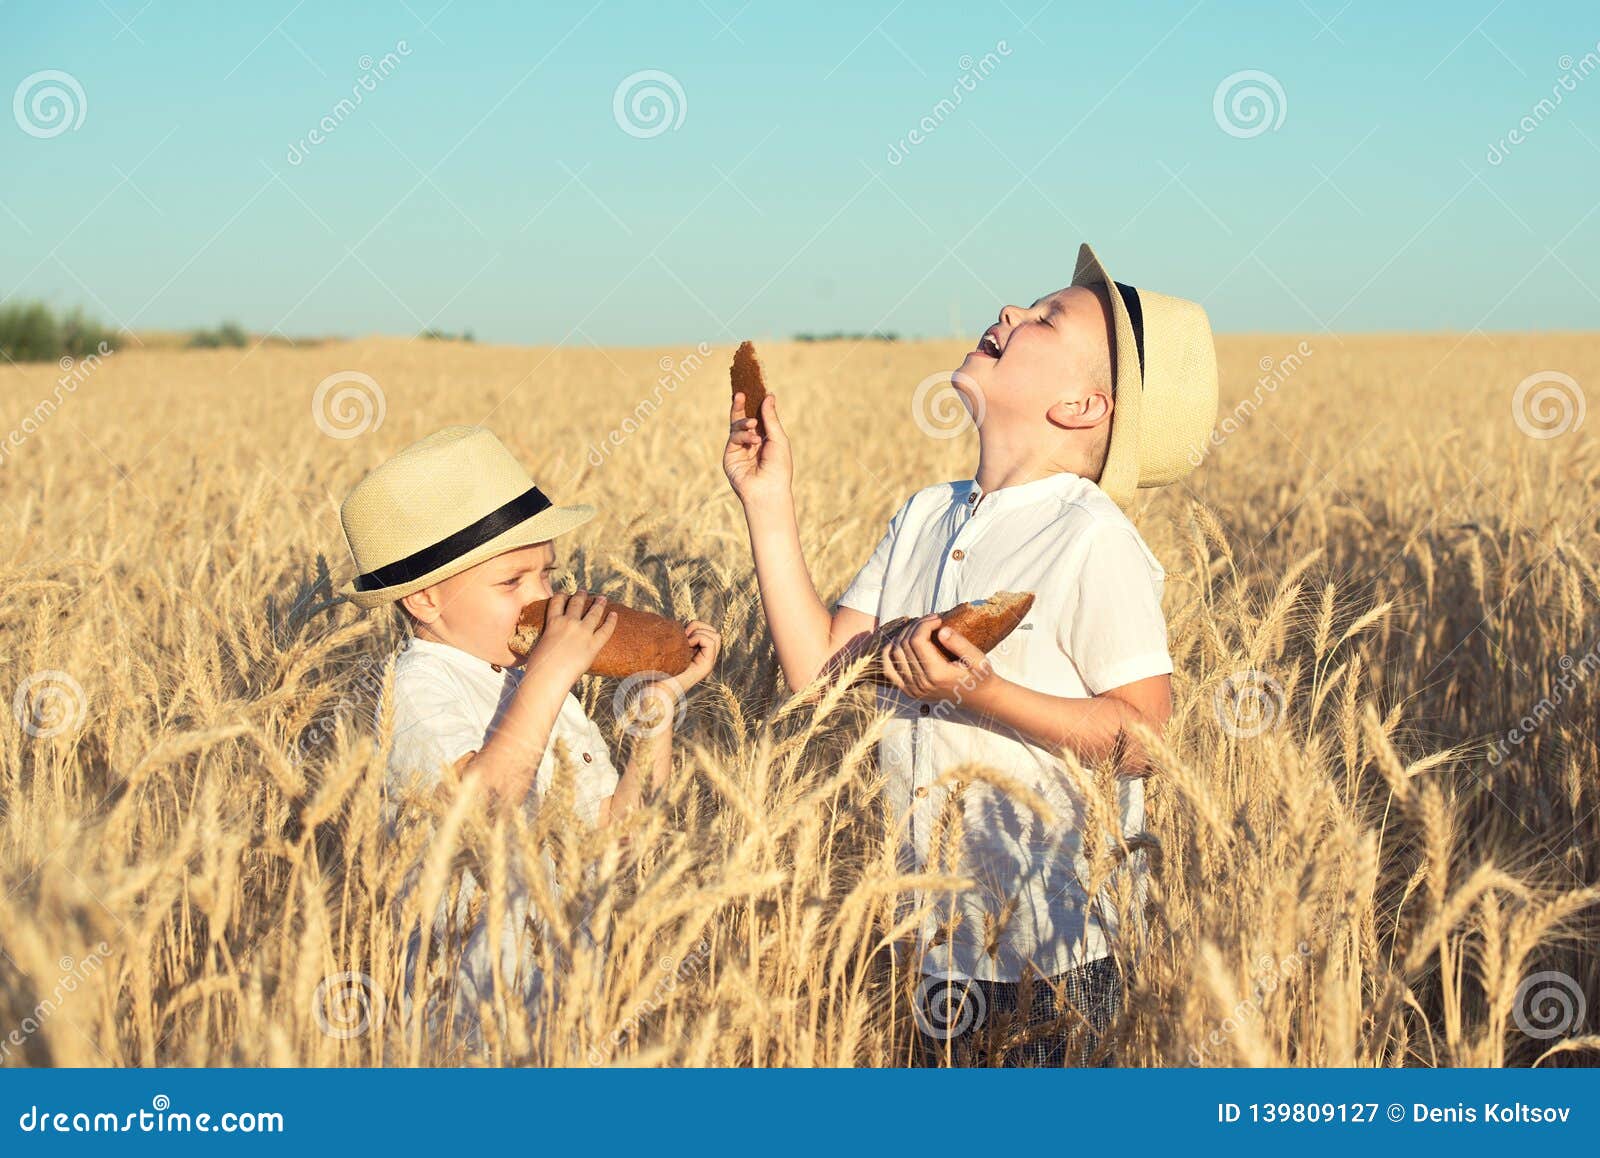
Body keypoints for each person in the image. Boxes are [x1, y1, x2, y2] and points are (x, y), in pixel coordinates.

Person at [722, 243, 1217, 1066]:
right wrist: (768, 501)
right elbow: (818, 676)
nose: (1013, 312)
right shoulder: (925, 514)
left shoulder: (1090, 536)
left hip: (1052, 956)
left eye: (1046, 318)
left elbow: (1146, 737)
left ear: (1081, 407)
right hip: (931, 945)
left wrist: (981, 694)